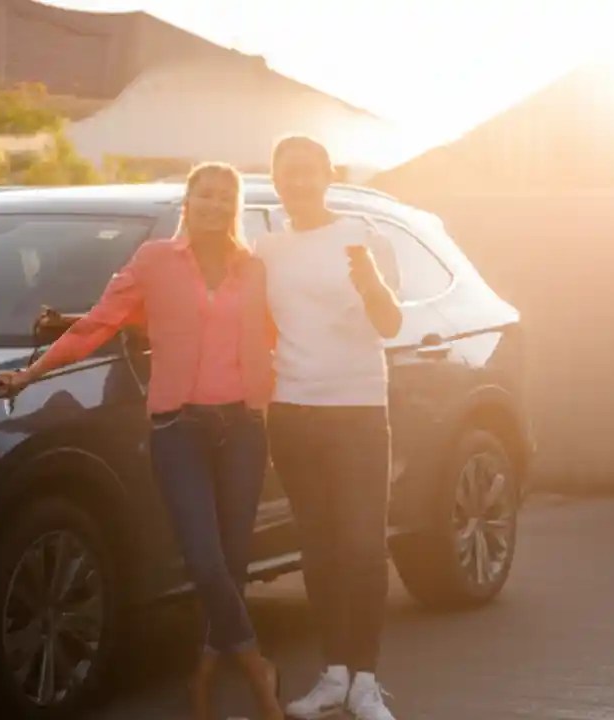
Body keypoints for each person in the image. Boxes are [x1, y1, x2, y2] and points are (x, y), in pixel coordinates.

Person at [0, 162, 284, 720]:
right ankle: (259, 675)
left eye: (226, 197)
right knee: (204, 559)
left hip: (244, 427)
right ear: (188, 202)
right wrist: (31, 374)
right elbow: (100, 323)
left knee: (234, 562)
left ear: (235, 206)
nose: (215, 205)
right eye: (206, 195)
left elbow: (281, 332)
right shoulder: (155, 262)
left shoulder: (256, 269)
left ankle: (202, 681)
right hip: (180, 430)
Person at [255, 136, 403, 720]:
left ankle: (366, 683)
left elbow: (390, 322)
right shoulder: (268, 248)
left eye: (307, 173)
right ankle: (334, 675)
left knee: (364, 546)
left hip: (359, 410)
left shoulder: (364, 237)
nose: (297, 183)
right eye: (286, 173)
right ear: (276, 179)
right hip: (293, 412)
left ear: (326, 175)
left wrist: (368, 281)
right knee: (318, 548)